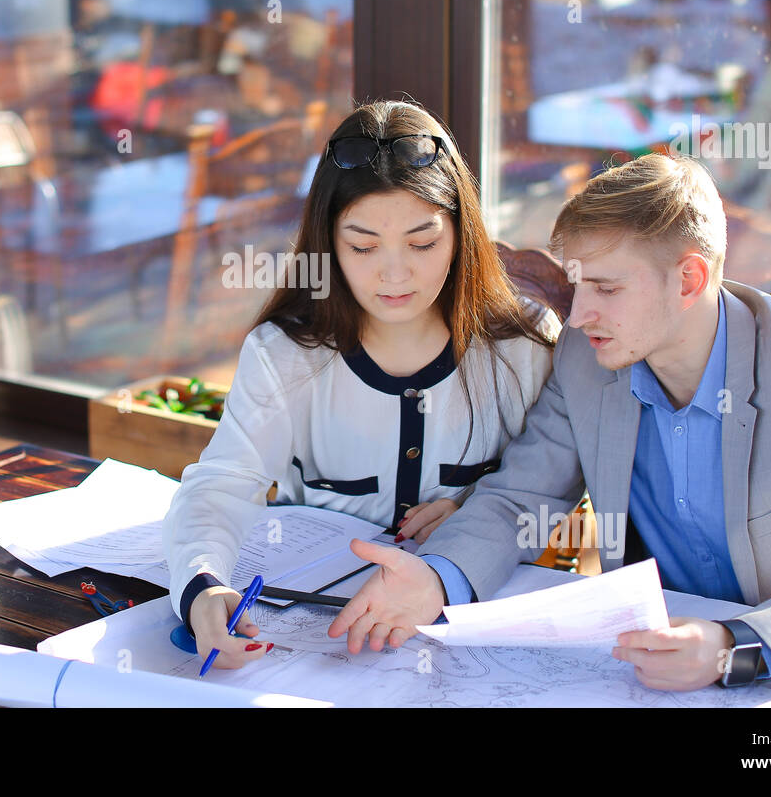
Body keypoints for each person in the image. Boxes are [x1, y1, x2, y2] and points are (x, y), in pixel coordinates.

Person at [328, 153, 771, 690]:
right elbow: (520, 500)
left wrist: (732, 646)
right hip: (636, 670)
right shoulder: (585, 359)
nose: (579, 316)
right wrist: (439, 580)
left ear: (689, 279)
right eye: (578, 285)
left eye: (607, 288)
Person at [163, 100, 560, 670]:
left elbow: (564, 501)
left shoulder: (524, 346)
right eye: (364, 246)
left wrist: (478, 519)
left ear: (461, 235)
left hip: (473, 648)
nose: (394, 274)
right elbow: (222, 485)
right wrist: (202, 587)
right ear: (328, 244)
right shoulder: (285, 355)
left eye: (422, 243)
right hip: (315, 648)